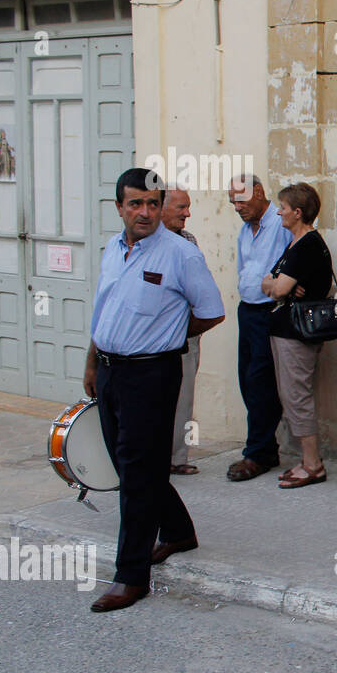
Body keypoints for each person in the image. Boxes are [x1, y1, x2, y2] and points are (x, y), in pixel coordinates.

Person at [84, 168, 225, 612]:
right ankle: (179, 531)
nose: (144, 212)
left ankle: (131, 576)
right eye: (135, 204)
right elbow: (104, 306)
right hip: (109, 371)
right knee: (131, 467)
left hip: (152, 373)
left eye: (151, 203)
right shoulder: (112, 247)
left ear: (160, 205)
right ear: (119, 207)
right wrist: (91, 362)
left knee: (137, 474)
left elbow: (212, 310)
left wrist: (167, 334)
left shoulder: (179, 254)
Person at [260, 182, 334, 489]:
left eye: (283, 207)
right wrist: (276, 284)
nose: (278, 211)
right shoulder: (295, 243)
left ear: (298, 212)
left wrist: (276, 284)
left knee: (296, 396)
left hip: (297, 334)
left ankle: (312, 464)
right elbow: (270, 284)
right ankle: (307, 461)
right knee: (290, 395)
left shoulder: (307, 246)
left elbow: (274, 288)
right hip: (285, 329)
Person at [227, 173, 290, 482]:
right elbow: (244, 267)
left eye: (241, 200)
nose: (238, 207)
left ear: (259, 192)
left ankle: (258, 453)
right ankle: (264, 448)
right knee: (246, 379)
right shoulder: (244, 230)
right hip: (247, 310)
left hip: (270, 310)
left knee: (261, 382)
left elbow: (301, 250)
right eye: (233, 203)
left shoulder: (279, 223)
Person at [162, 185, 203, 475]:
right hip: (153, 335)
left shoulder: (189, 241)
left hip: (185, 331)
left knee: (183, 396)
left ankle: (177, 458)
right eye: (181, 207)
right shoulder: (145, 240)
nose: (187, 213)